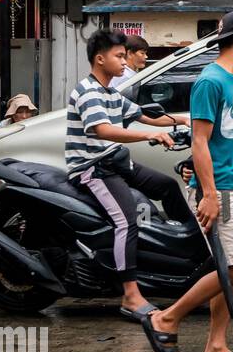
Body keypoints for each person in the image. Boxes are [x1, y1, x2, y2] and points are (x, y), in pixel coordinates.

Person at [140, 12, 233, 352]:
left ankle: (216, 348)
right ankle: (166, 318)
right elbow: (199, 142)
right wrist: (208, 194)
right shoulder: (210, 82)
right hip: (218, 188)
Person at [66, 29, 193, 322]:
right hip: (93, 168)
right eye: (119, 56)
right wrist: (152, 135)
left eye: (125, 56)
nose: (124, 62)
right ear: (100, 59)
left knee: (168, 187)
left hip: (116, 162)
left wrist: (186, 120)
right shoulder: (87, 92)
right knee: (127, 220)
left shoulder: (111, 93)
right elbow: (104, 131)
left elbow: (147, 116)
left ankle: (185, 253)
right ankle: (130, 295)